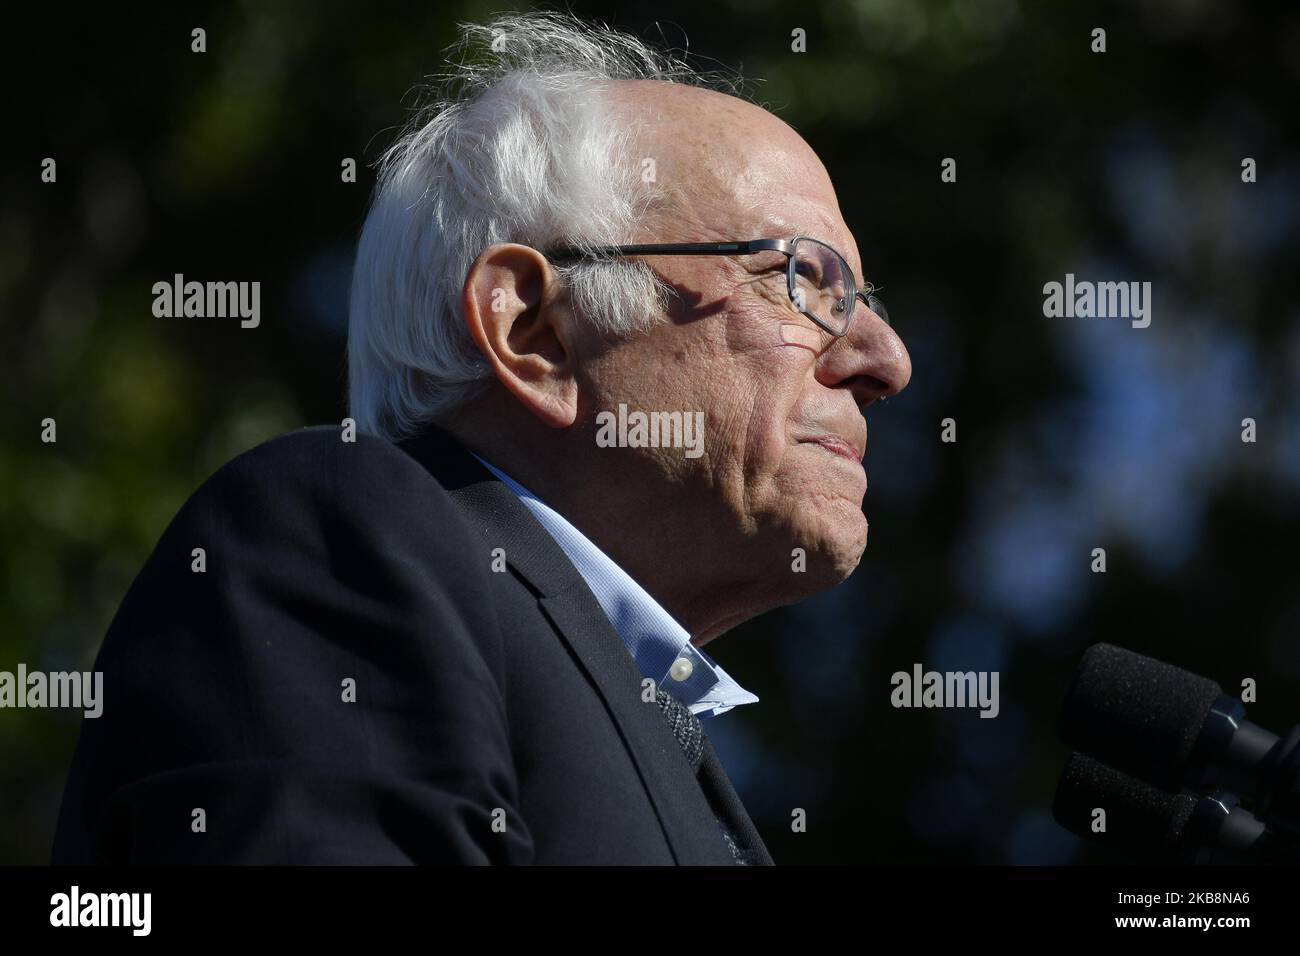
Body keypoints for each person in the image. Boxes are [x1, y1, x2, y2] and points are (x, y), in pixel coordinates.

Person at [52, 11, 911, 865]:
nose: (886, 360)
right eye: (805, 278)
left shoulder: (671, 743)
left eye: (865, 300)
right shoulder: (338, 541)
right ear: (534, 331)